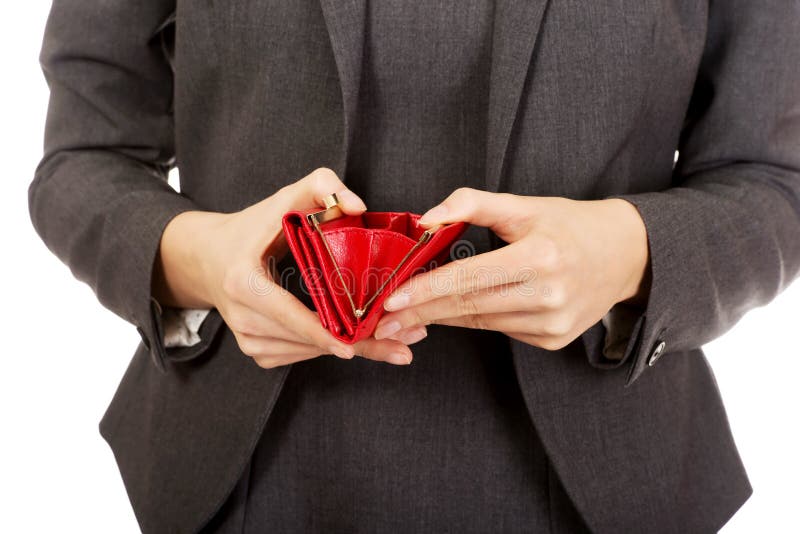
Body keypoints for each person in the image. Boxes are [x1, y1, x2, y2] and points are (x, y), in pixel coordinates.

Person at [30, 1, 799, 533]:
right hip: (240, 472)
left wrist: (628, 250)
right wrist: (202, 261)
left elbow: (773, 182)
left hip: (606, 482)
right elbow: (84, 158)